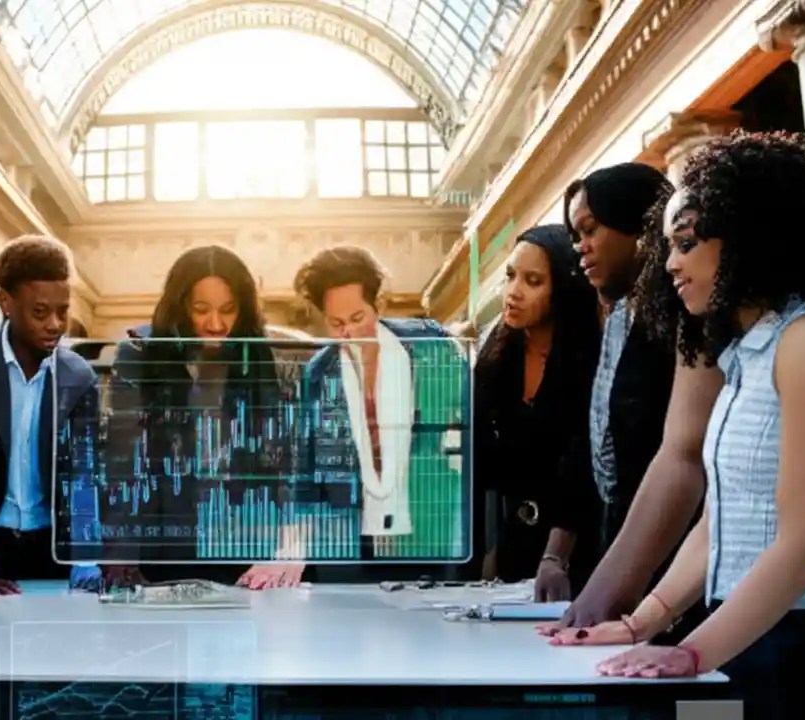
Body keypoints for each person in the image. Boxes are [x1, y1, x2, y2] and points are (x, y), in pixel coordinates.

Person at [548, 131, 805, 717]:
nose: (670, 264)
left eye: (685, 243)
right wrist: (639, 624)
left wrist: (689, 654)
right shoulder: (744, 358)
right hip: (751, 646)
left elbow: (804, 545)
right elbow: (719, 521)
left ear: (748, 238)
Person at [540, 162, 725, 633]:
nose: (579, 246)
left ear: (640, 224)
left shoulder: (696, 321)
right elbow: (593, 447)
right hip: (637, 572)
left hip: (684, 575)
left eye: (590, 229)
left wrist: (617, 592)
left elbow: (683, 461)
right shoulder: (620, 319)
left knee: (710, 711)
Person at [101, 245, 291, 588]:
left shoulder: (265, 358)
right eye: (201, 309)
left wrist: (283, 549)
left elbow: (281, 462)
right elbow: (123, 458)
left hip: (246, 549)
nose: (216, 324)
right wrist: (120, 549)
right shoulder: (139, 354)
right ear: (180, 306)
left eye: (228, 310)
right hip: (164, 549)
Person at [291, 245, 472, 584]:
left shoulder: (430, 348)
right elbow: (308, 465)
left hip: (426, 526)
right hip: (349, 534)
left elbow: (463, 437)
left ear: (379, 305)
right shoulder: (319, 373)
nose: (347, 333)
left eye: (358, 318)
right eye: (336, 323)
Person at [473, 225, 602, 599]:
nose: (513, 292)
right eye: (510, 276)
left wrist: (556, 554)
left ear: (561, 287)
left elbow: (583, 463)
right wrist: (490, 549)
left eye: (533, 281)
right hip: (513, 545)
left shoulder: (588, 356)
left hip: (580, 547)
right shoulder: (496, 356)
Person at [0, 235, 99, 586]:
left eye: (63, 311)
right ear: (6, 302)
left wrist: (85, 556)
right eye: (40, 312)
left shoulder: (79, 377)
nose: (55, 324)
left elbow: (83, 472)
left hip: (50, 547)